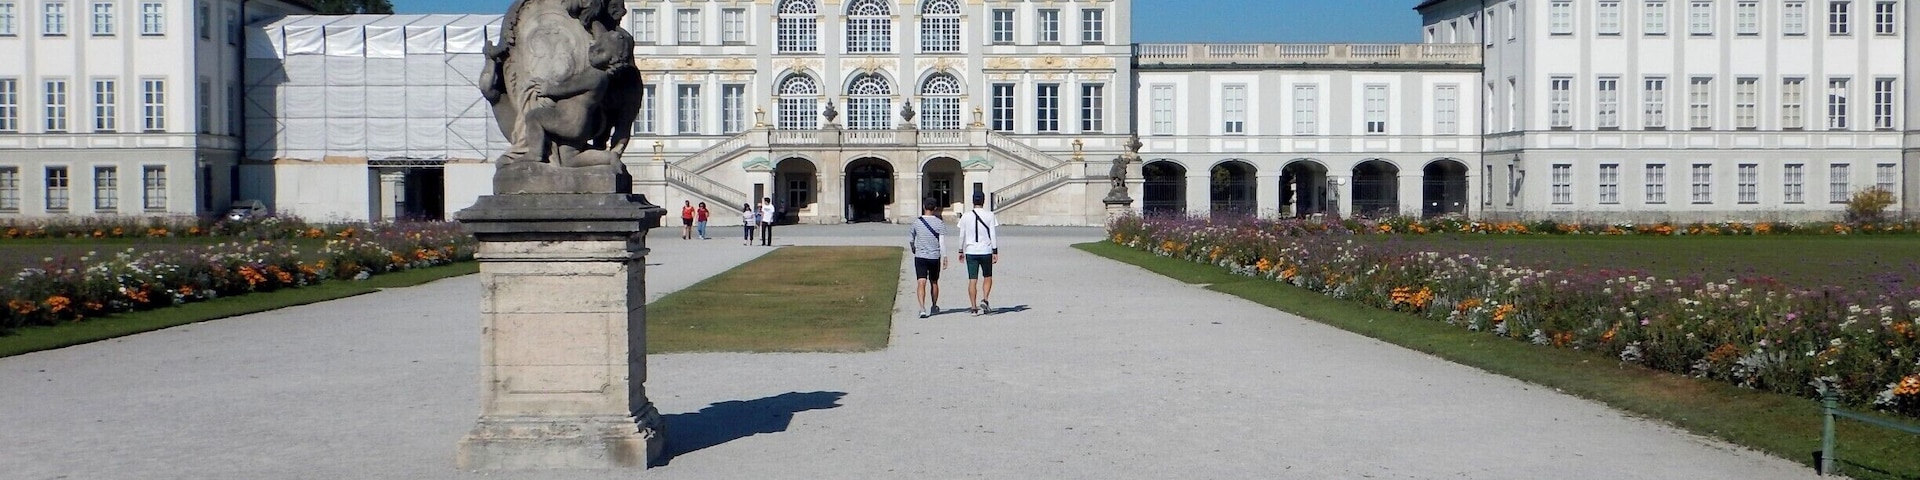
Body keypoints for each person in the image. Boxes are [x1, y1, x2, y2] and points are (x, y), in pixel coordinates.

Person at [956, 191, 999, 316]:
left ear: (973, 201)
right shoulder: (990, 215)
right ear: (984, 201)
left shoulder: (965, 216)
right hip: (985, 250)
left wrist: (960, 250)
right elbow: (993, 235)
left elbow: (961, 235)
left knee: (972, 279)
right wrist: (995, 250)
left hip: (971, 250)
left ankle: (974, 307)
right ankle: (985, 299)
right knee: (987, 276)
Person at [909, 199, 950, 318]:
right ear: (935, 208)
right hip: (934, 256)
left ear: (923, 207)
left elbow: (911, 238)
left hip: (920, 256)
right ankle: (934, 305)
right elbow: (942, 242)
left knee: (921, 282)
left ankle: (922, 308)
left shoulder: (917, 222)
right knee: (934, 282)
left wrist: (913, 248)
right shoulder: (939, 223)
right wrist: (945, 256)